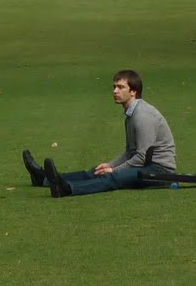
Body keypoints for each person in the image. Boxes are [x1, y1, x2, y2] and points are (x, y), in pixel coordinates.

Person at [21, 69, 176, 198]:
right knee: (96, 171)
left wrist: (114, 170)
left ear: (133, 91)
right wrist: (110, 165)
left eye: (121, 87)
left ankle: (67, 189)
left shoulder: (142, 116)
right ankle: (44, 179)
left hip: (159, 172)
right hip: (146, 167)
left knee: (112, 177)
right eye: (114, 86)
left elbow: (141, 157)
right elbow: (130, 152)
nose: (115, 91)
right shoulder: (131, 114)